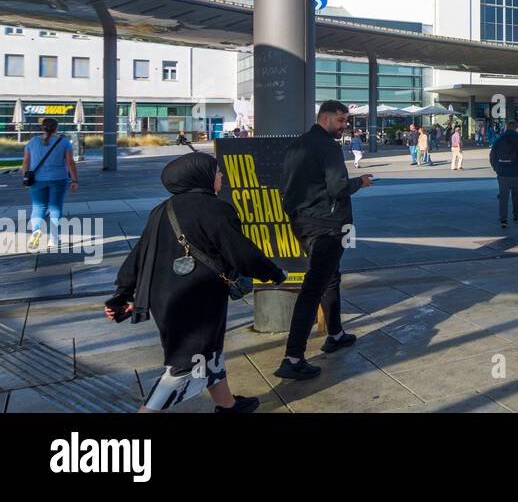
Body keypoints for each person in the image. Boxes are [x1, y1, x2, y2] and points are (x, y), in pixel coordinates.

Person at [104, 152, 286, 412]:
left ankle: (228, 405)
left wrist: (124, 292)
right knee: (185, 366)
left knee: (207, 352)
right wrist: (274, 273)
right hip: (197, 300)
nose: (221, 175)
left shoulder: (162, 210)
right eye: (217, 171)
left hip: (165, 298)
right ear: (201, 175)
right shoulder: (214, 208)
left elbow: (140, 254)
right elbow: (242, 253)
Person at [275, 100, 376, 381]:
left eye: (346, 121)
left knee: (330, 278)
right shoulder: (328, 147)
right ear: (325, 119)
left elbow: (285, 187)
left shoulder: (297, 145)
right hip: (327, 227)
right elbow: (338, 187)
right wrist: (360, 182)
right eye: (341, 120)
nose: (345, 126)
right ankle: (293, 357)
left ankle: (336, 334)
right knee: (314, 287)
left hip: (303, 223)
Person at [22, 117, 78, 251]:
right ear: (56, 128)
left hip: (37, 180)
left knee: (38, 207)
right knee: (55, 208)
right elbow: (70, 162)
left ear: (42, 128)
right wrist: (75, 180)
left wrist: (25, 178)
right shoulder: (64, 142)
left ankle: (36, 230)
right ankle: (53, 239)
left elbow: (26, 162)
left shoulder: (33, 141)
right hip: (58, 179)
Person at [489, 119, 518, 227]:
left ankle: (503, 219)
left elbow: (492, 155)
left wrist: (496, 168)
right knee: (517, 196)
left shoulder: (499, 140)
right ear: (516, 128)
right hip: (516, 173)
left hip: (502, 173)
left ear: (506, 128)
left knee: (503, 197)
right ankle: (517, 216)